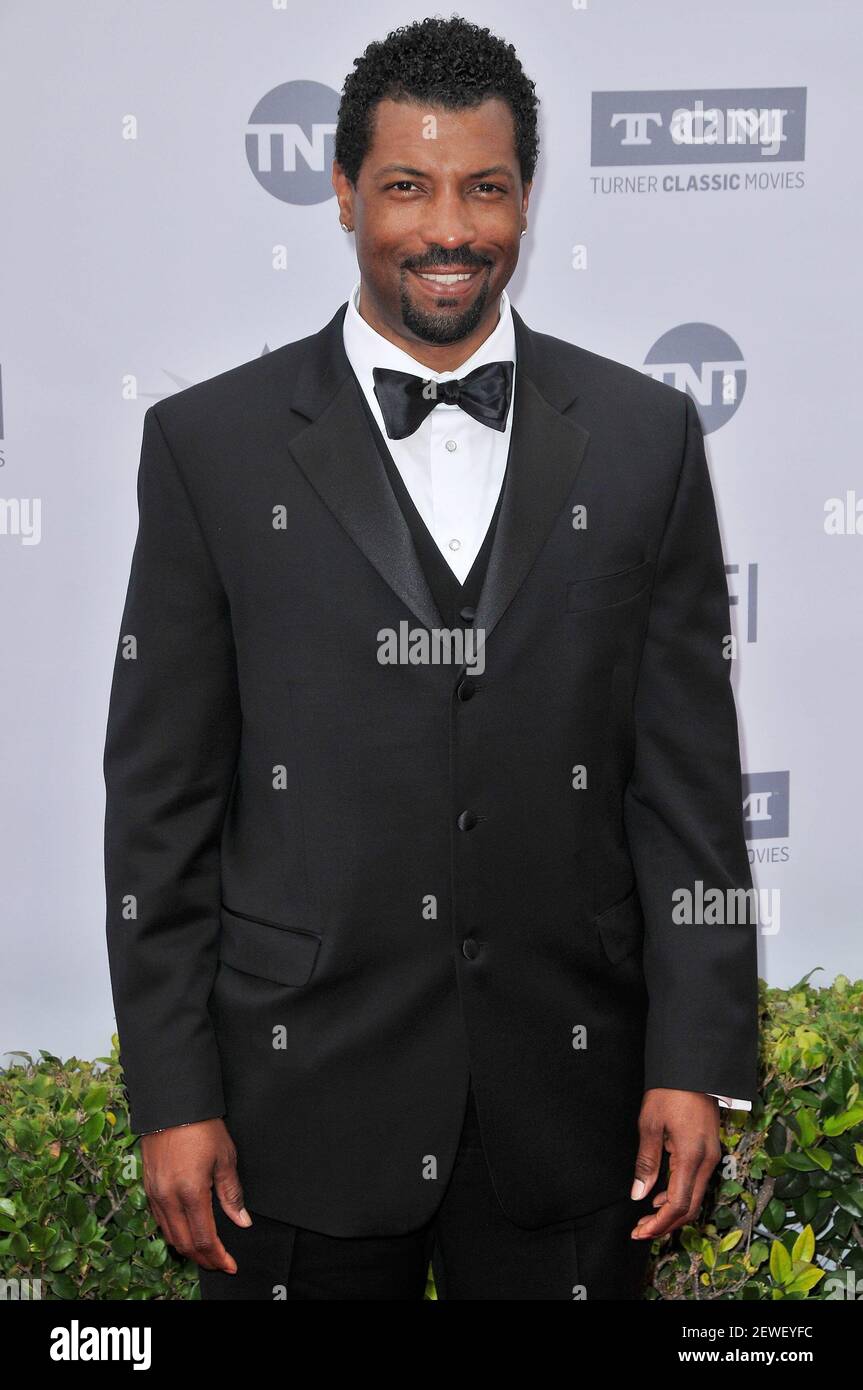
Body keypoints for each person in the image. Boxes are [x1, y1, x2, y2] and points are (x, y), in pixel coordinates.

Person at [103, 15, 759, 1301]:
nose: (446, 228)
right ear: (343, 190)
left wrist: (694, 1056)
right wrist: (171, 1093)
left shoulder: (644, 439)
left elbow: (686, 788)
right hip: (296, 1109)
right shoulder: (210, 449)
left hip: (569, 1107)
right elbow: (162, 806)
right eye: (405, 185)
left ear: (526, 199)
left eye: (484, 187)